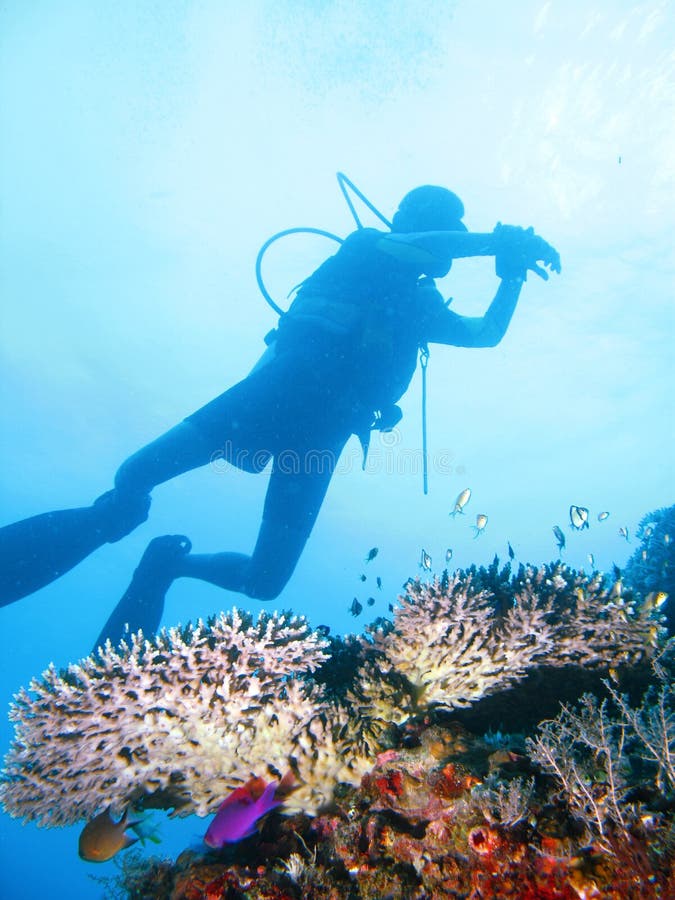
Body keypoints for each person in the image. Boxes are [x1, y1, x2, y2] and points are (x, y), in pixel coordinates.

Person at [0, 186, 561, 646]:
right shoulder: (366, 247)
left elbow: (484, 335)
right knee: (135, 475)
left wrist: (509, 273)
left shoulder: (421, 306)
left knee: (265, 582)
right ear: (404, 219)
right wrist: (497, 243)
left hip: (322, 435)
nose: (446, 230)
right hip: (267, 397)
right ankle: (109, 520)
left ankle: (167, 568)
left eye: (451, 221)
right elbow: (427, 250)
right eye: (434, 219)